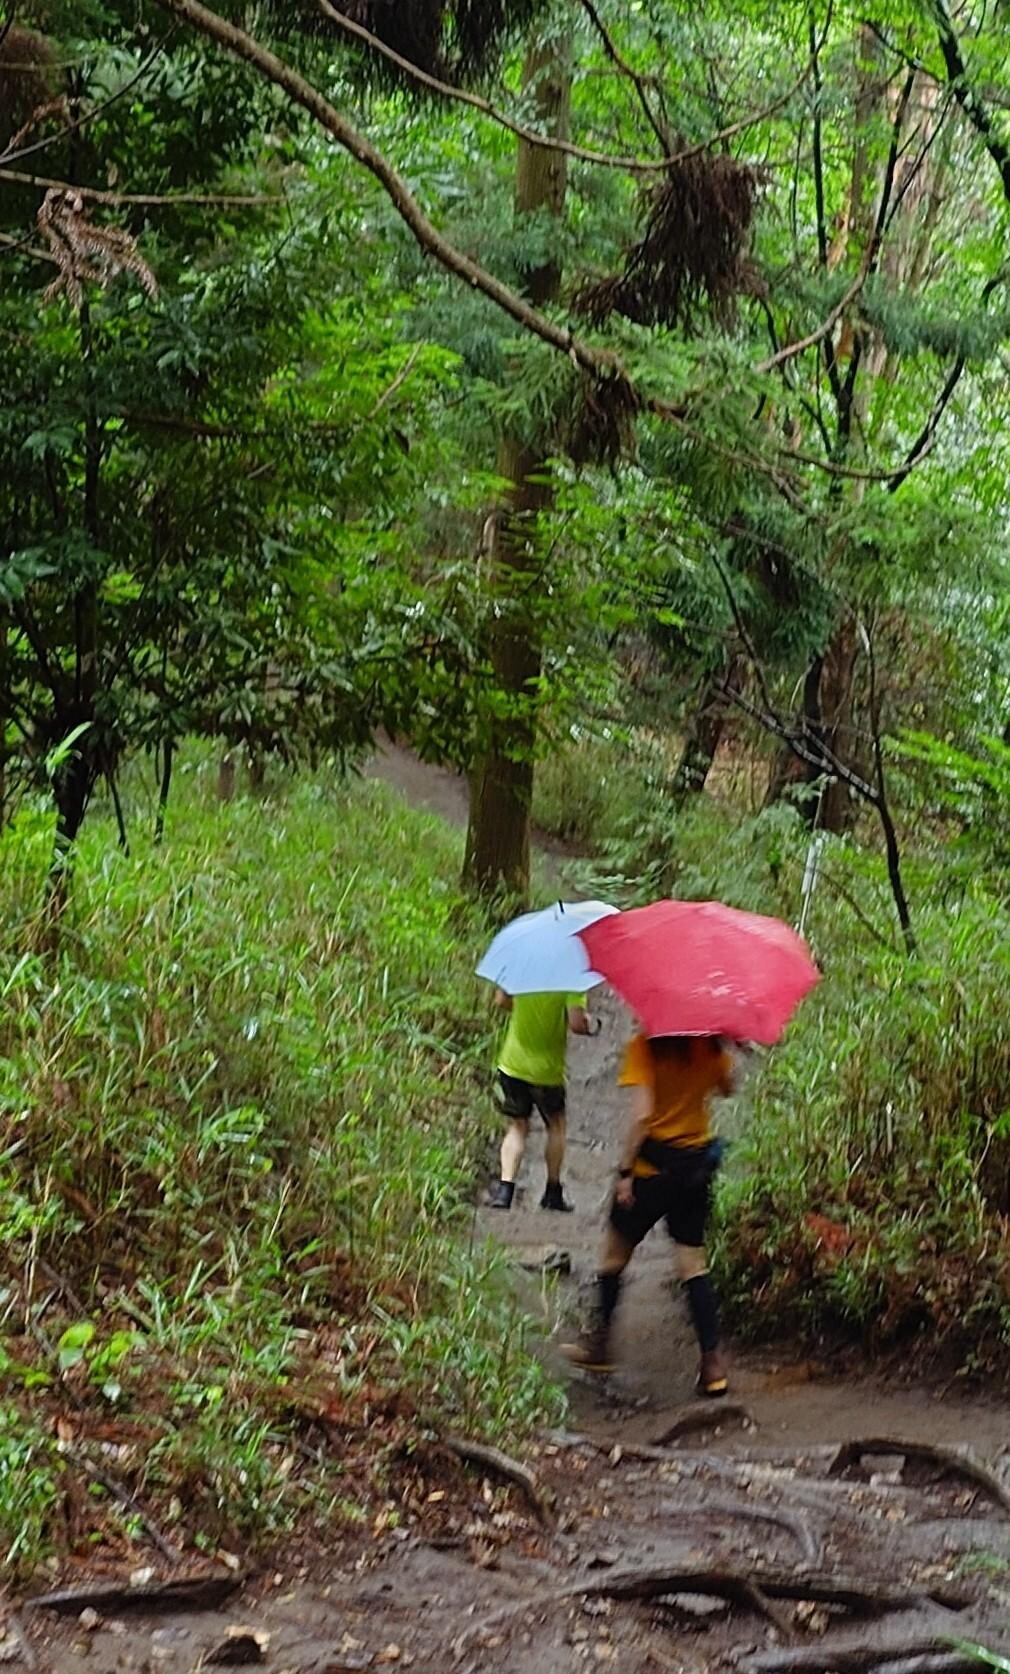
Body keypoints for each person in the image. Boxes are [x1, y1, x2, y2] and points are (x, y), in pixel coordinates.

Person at [563, 1032, 735, 1396]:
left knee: (613, 1256)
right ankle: (712, 1365)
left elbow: (642, 1117)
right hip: (693, 1171)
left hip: (650, 1171)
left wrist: (625, 1171)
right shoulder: (709, 1045)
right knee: (693, 1265)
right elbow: (727, 1088)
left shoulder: (645, 1045)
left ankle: (600, 1347)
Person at [489, 988, 599, 1212]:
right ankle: (552, 1191)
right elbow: (577, 1023)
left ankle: (505, 1190)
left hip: (512, 1064)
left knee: (518, 1126)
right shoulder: (571, 979)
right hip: (547, 1071)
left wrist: (523, 1011)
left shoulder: (523, 966)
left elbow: (501, 1000)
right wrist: (591, 1024)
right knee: (556, 1125)